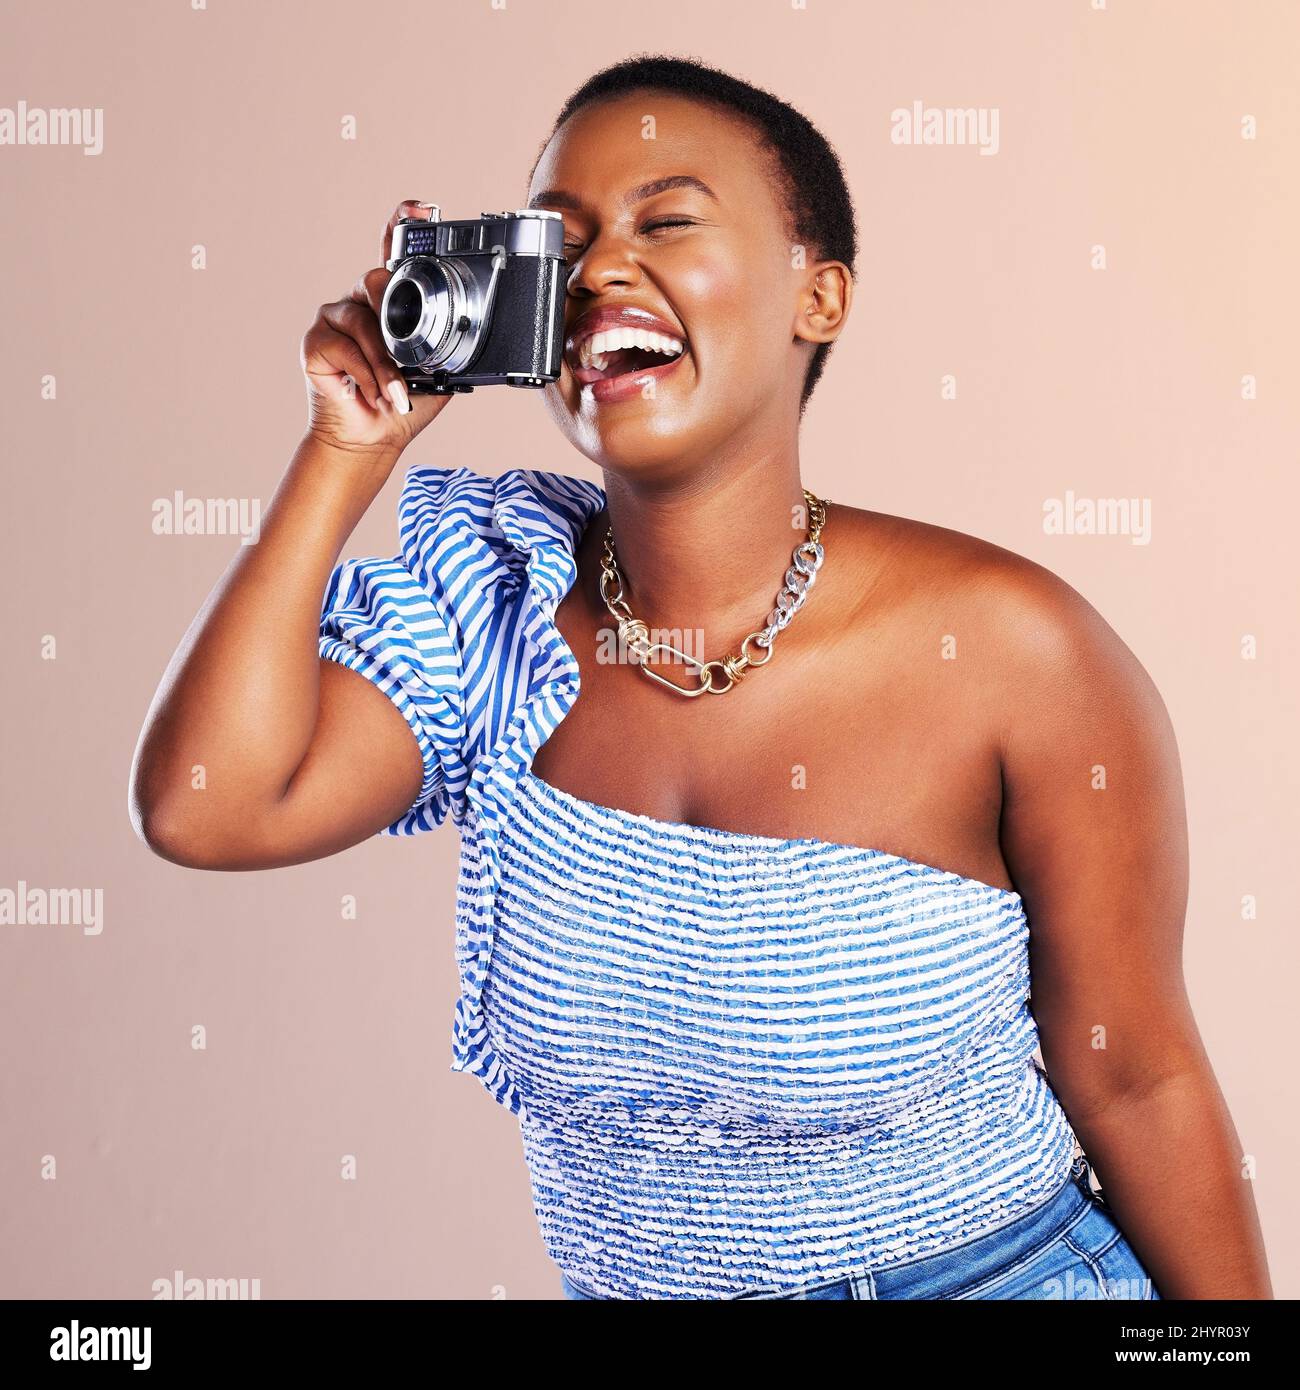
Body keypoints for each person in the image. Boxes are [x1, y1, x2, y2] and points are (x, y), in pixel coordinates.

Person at [129, 54, 1272, 1300]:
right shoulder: (490, 613)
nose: (602, 271)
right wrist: (345, 450)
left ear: (818, 296)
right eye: (560, 248)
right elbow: (204, 801)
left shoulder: (1014, 653)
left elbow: (1137, 1075)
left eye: (665, 221)